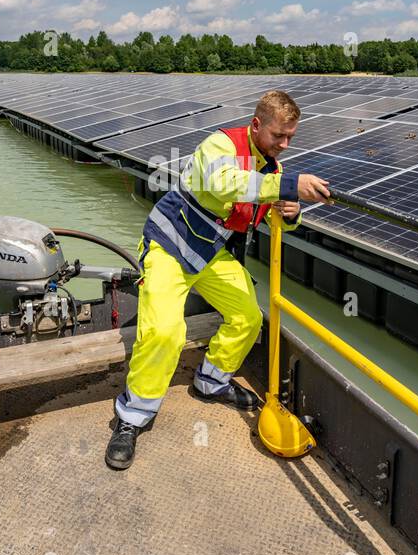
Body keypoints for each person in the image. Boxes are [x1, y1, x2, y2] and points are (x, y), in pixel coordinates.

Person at [105, 90, 332, 469]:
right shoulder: (219, 145)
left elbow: (274, 219)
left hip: (209, 254)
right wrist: (289, 186)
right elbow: (224, 185)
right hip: (168, 247)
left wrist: (291, 213)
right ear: (256, 125)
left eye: (291, 137)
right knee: (164, 332)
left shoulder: (272, 171)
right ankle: (132, 417)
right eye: (279, 136)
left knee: (248, 317)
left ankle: (210, 382)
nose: (285, 145)